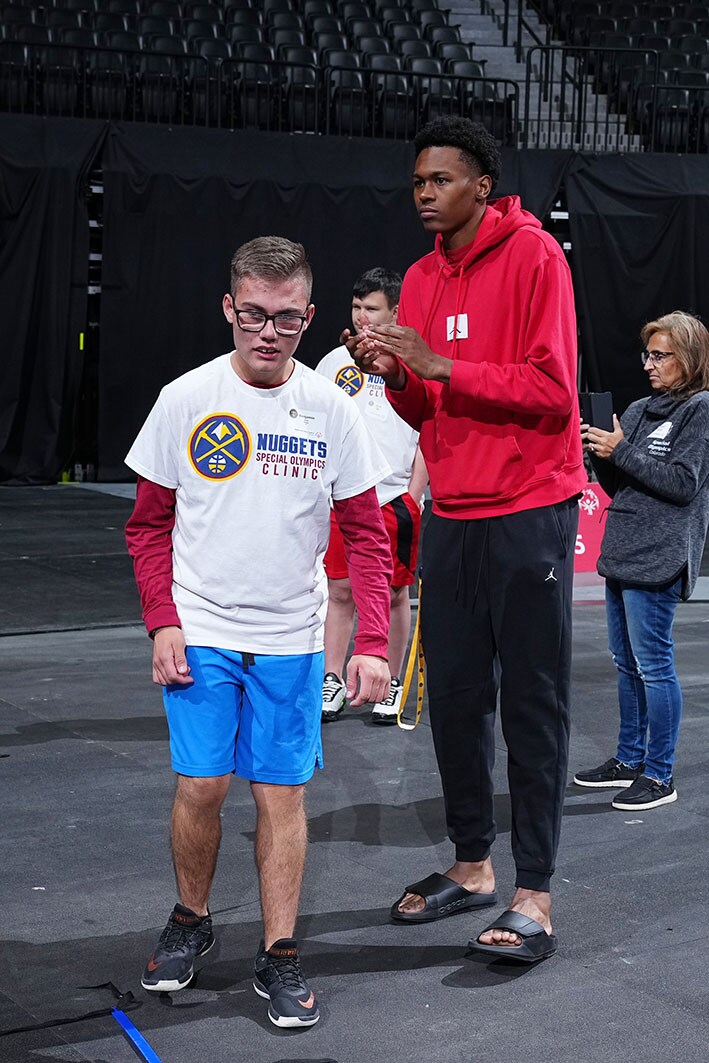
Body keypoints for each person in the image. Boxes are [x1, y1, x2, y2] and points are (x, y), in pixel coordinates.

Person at [124, 237, 392, 1028]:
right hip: (200, 625)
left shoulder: (333, 409)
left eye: (283, 318)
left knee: (281, 795)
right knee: (201, 786)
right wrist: (161, 622)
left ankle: (278, 956)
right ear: (228, 309)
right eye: (251, 315)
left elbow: (367, 536)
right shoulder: (184, 396)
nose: (266, 332)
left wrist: (371, 640)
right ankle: (190, 919)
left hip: (293, 637)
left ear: (308, 318)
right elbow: (146, 527)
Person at [350, 117, 586, 963]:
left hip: (527, 509)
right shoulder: (418, 275)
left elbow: (555, 393)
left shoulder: (534, 256)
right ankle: (472, 865)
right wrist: (397, 377)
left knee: (530, 702)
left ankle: (535, 892)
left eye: (440, 180)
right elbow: (424, 410)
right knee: (451, 698)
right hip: (452, 511)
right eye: (416, 181)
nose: (424, 192)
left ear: (480, 186)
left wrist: (441, 365)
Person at [574, 311, 709, 810]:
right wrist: (603, 456)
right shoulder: (637, 410)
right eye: (647, 355)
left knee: (654, 666)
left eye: (661, 355)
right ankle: (629, 759)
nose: (649, 364)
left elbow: (682, 484)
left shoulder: (701, 409)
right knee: (626, 664)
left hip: (661, 556)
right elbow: (619, 487)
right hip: (624, 549)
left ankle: (660, 774)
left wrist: (623, 451)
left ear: (688, 357)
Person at [316, 267, 428, 724]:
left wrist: (413, 495)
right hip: (343, 499)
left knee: (395, 593)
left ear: (395, 312)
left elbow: (429, 428)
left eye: (373, 309)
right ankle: (333, 678)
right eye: (357, 308)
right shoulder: (333, 363)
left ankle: (392, 678)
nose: (363, 318)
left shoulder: (414, 360)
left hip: (394, 499)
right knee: (339, 591)